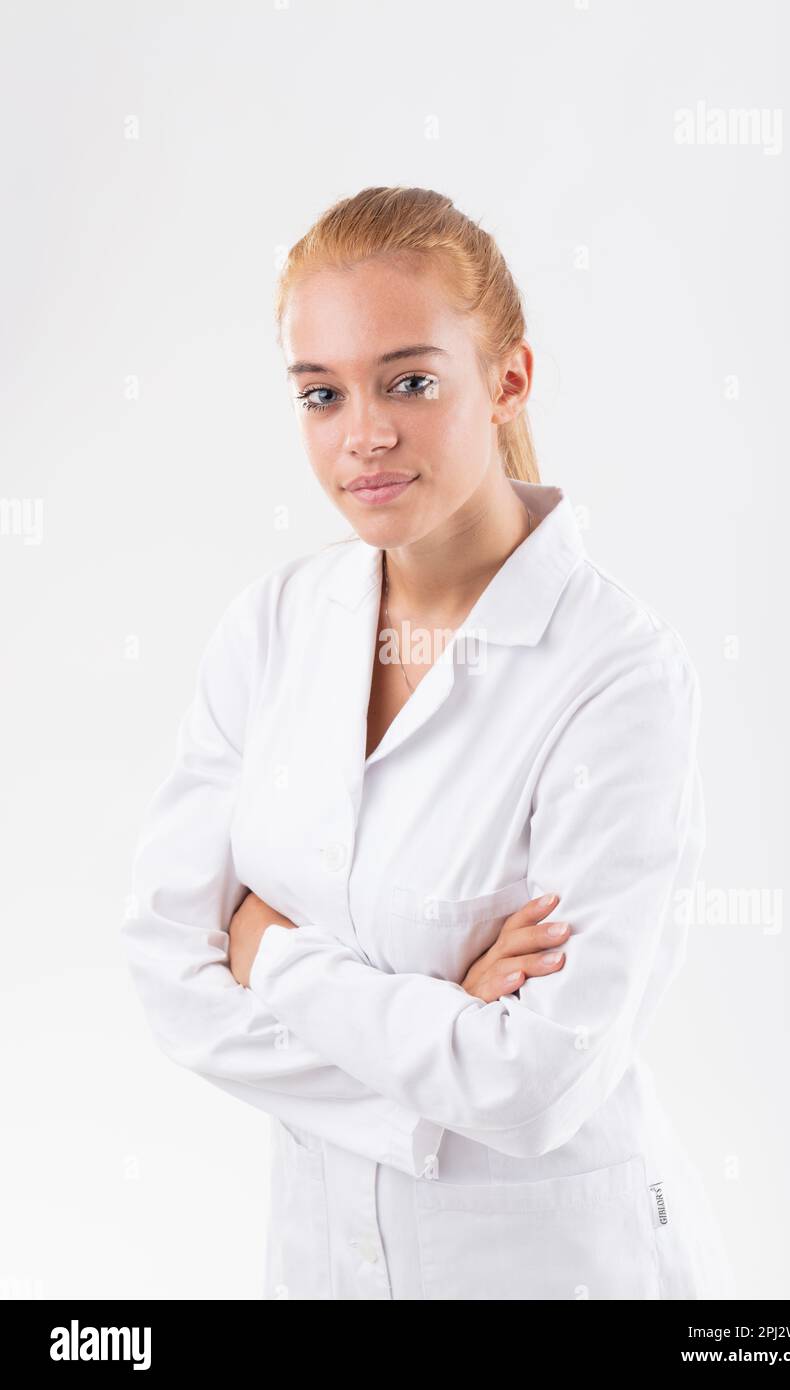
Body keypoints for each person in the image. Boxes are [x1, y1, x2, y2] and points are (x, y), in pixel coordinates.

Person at [121, 185, 736, 1300]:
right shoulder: (272, 628)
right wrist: (437, 1028)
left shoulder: (615, 674)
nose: (363, 434)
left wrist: (272, 953)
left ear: (506, 379)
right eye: (322, 392)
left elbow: (539, 1085)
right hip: (320, 1264)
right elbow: (168, 969)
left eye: (408, 381)